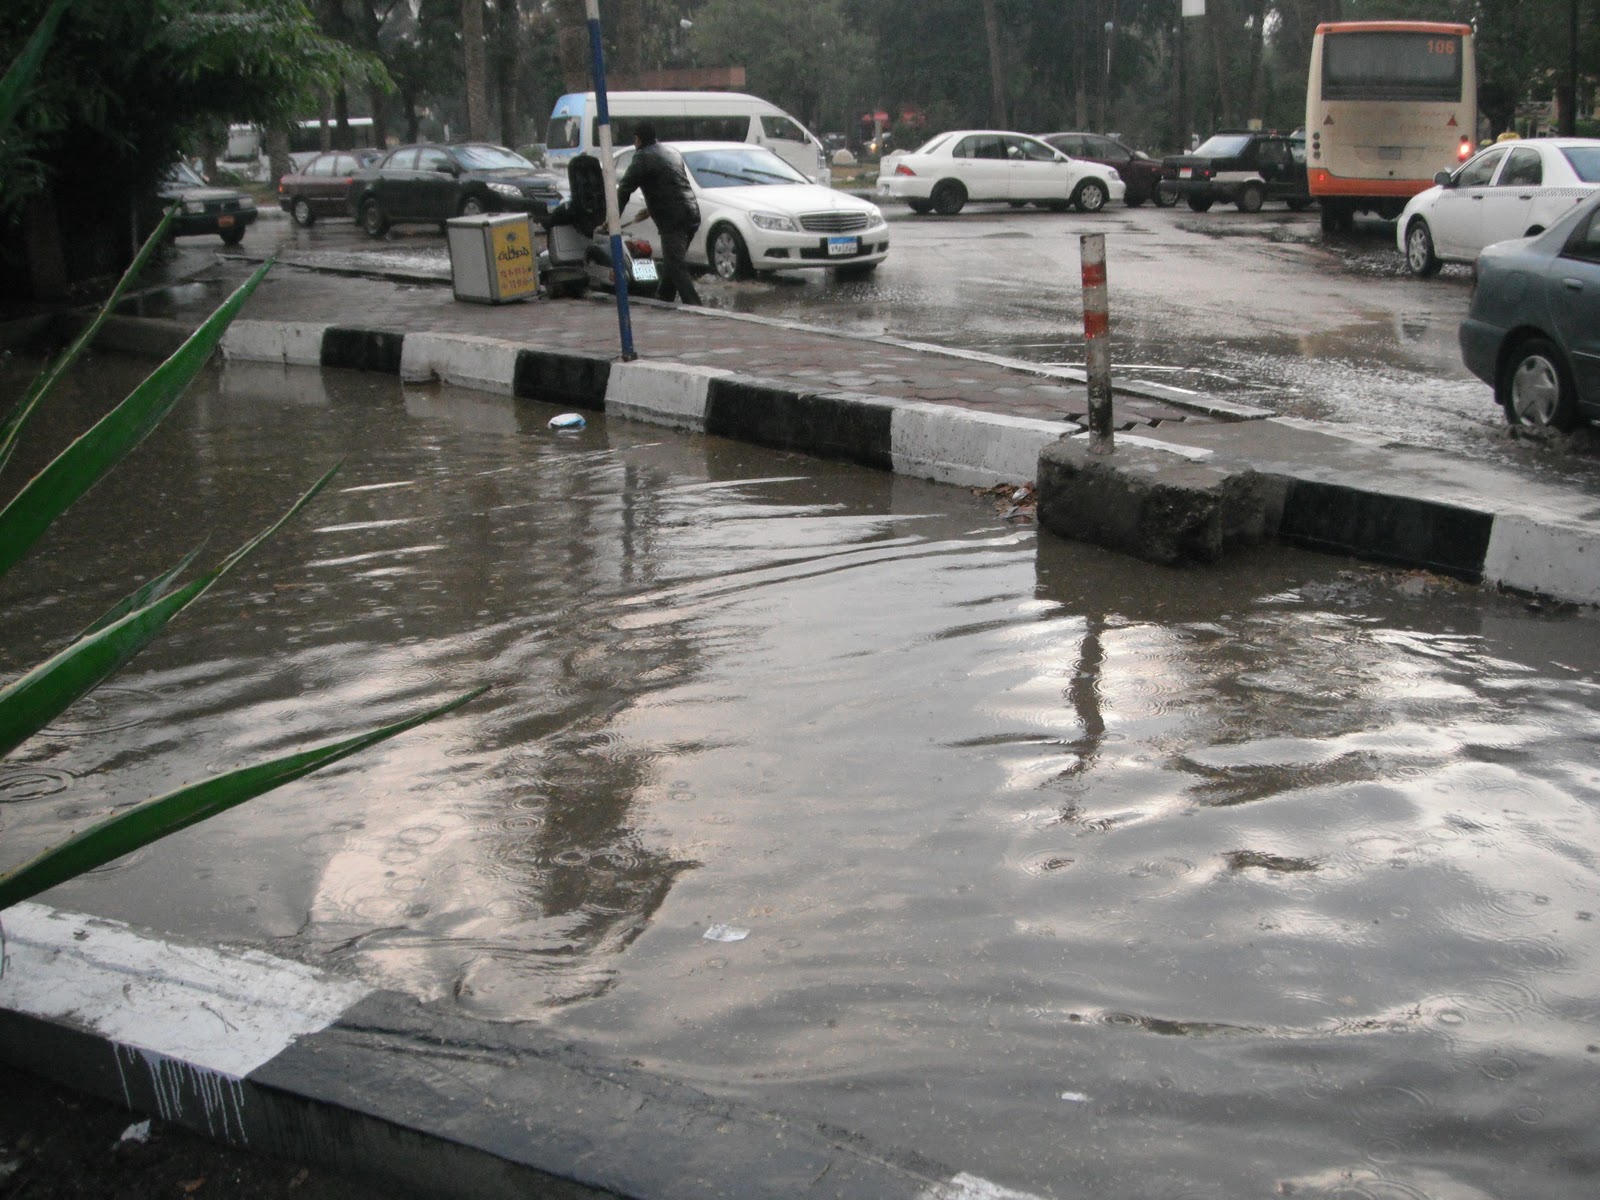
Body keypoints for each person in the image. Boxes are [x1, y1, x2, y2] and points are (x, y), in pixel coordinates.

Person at [615, 122, 701, 306]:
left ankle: (696, 306)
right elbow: (672, 184)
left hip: (673, 219)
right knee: (672, 261)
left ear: (637, 139)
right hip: (692, 213)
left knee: (675, 265)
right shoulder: (671, 152)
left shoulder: (641, 157)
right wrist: (649, 209)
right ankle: (664, 297)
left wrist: (613, 219)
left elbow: (624, 189)